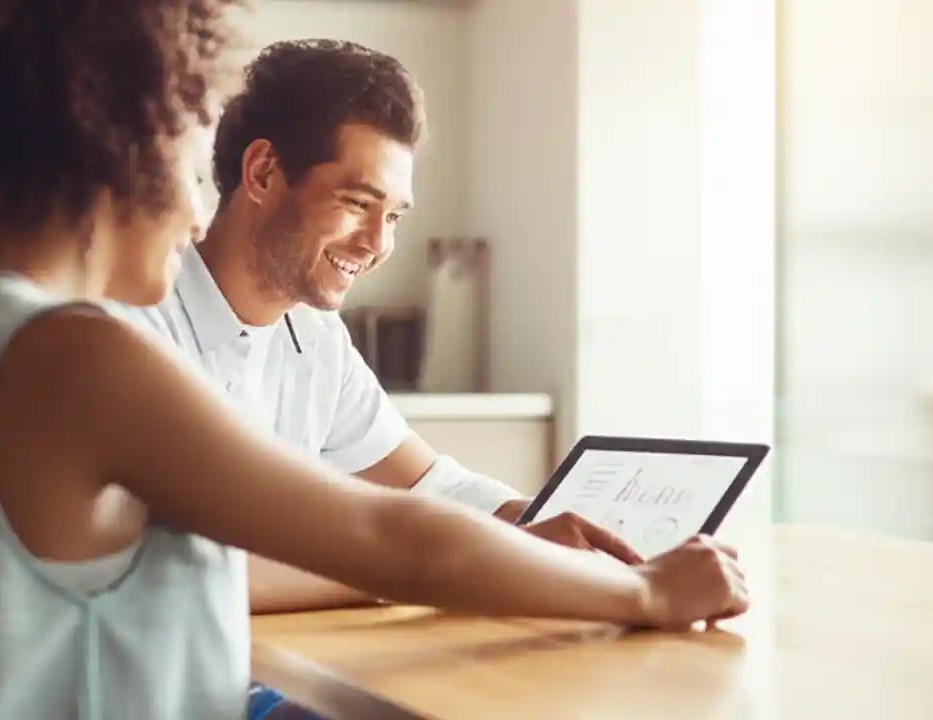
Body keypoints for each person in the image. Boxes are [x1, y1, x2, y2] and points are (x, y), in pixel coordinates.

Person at [0, 3, 749, 720]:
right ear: (121, 135)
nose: (191, 208)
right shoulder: (73, 354)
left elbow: (415, 496)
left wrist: (530, 527)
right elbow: (396, 539)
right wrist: (646, 589)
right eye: (191, 148)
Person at [136, 39, 643, 617]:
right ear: (263, 172)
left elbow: (435, 487)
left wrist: (538, 529)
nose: (379, 244)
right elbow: (190, 570)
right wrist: (423, 565)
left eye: (394, 216)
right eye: (357, 203)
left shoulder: (315, 339)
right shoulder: (137, 324)